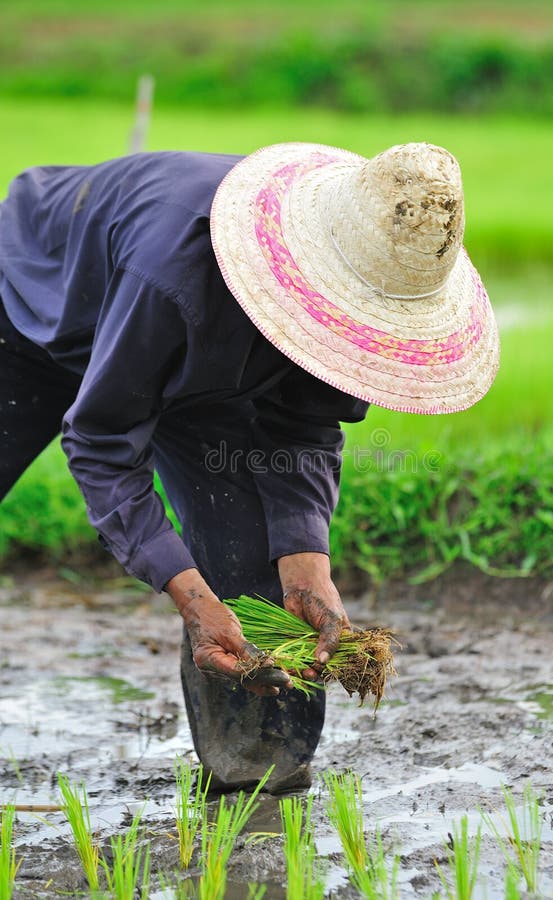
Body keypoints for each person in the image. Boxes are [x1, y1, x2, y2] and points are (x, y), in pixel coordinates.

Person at [0, 141, 499, 792]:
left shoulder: (340, 322)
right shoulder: (175, 276)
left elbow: (305, 425)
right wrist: (192, 601)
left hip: (199, 361)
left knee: (257, 562)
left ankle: (256, 772)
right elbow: (102, 440)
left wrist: (307, 567)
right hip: (29, 308)